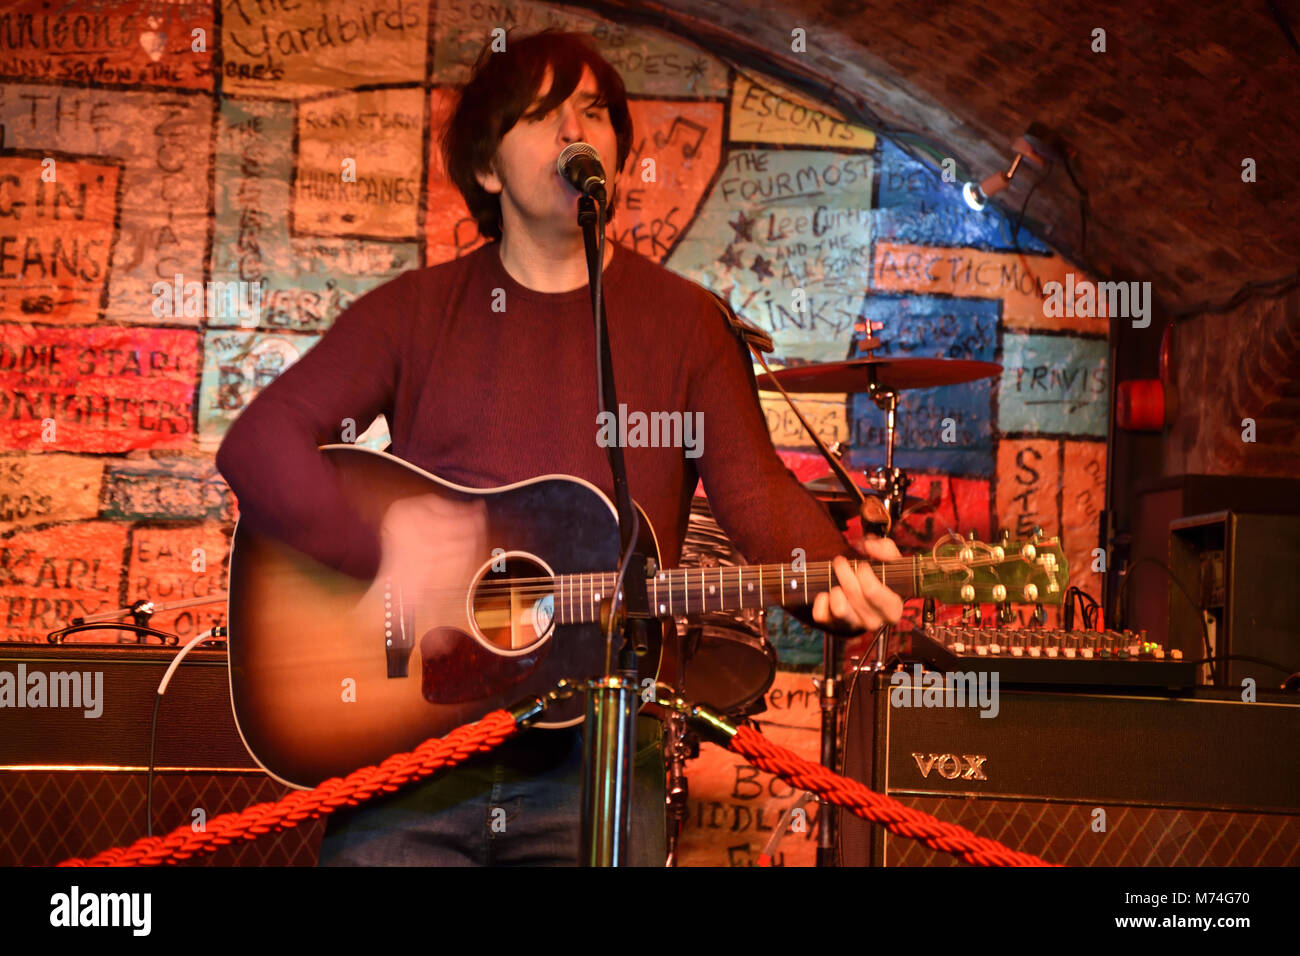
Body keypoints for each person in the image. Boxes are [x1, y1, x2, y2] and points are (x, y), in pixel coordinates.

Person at [215, 28, 903, 867]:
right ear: (485, 169)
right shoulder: (417, 310)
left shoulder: (685, 323)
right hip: (411, 755)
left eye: (594, 111)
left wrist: (830, 576)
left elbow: (755, 495)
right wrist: (380, 547)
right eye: (542, 114)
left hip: (599, 759)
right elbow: (259, 444)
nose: (576, 129)